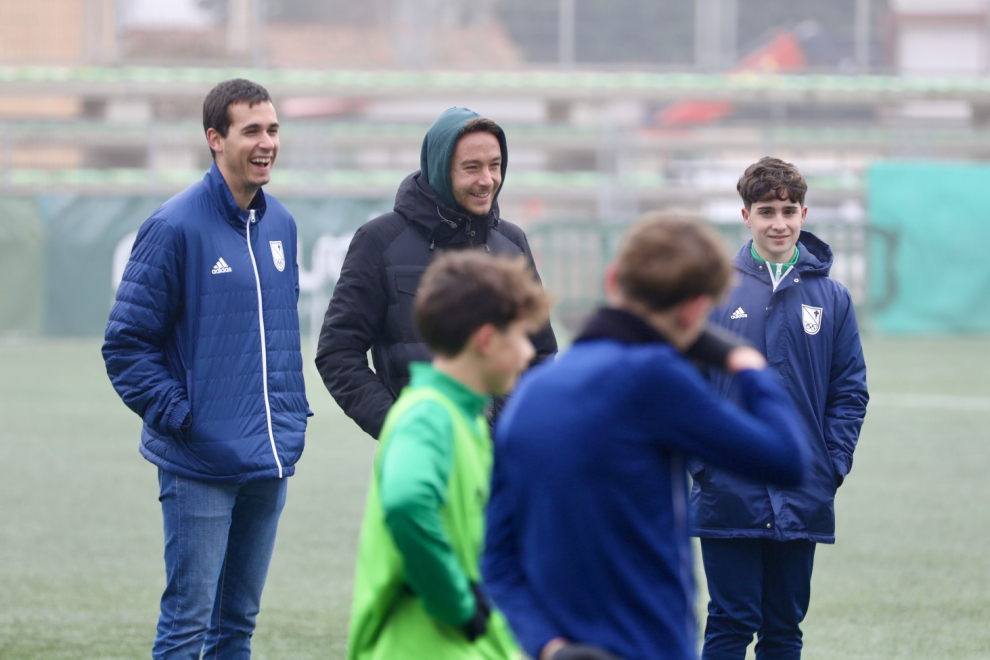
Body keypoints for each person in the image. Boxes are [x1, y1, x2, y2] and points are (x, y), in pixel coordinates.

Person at [482, 211, 809, 660]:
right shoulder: (656, 379)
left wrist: (551, 647)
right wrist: (745, 363)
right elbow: (787, 458)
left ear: (612, 280)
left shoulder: (532, 392)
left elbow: (496, 561)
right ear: (698, 310)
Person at [102, 79, 310, 659]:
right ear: (215, 139)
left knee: (237, 627)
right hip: (201, 461)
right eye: (252, 131)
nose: (266, 142)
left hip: (269, 456)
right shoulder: (174, 227)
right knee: (188, 627)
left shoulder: (282, 226)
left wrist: (288, 419)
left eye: (272, 129)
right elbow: (125, 346)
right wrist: (186, 417)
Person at [690, 157, 869, 660]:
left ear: (805, 213)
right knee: (730, 620)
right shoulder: (712, 292)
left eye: (788, 210)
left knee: (785, 627)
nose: (779, 223)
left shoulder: (831, 297)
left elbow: (849, 390)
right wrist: (701, 464)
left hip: (802, 485)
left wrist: (831, 465)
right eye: (766, 211)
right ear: (745, 216)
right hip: (727, 486)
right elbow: (683, 384)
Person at [347, 250, 548, 660]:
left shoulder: (466, 416)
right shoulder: (428, 415)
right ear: (487, 341)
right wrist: (458, 604)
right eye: (521, 337)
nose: (530, 353)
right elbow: (406, 503)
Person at [315, 106, 557, 439]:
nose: (487, 180)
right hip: (425, 451)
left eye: (495, 165)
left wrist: (509, 425)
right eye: (471, 168)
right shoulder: (378, 241)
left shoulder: (512, 243)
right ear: (441, 169)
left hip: (504, 456)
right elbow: (338, 352)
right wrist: (401, 427)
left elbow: (541, 351)